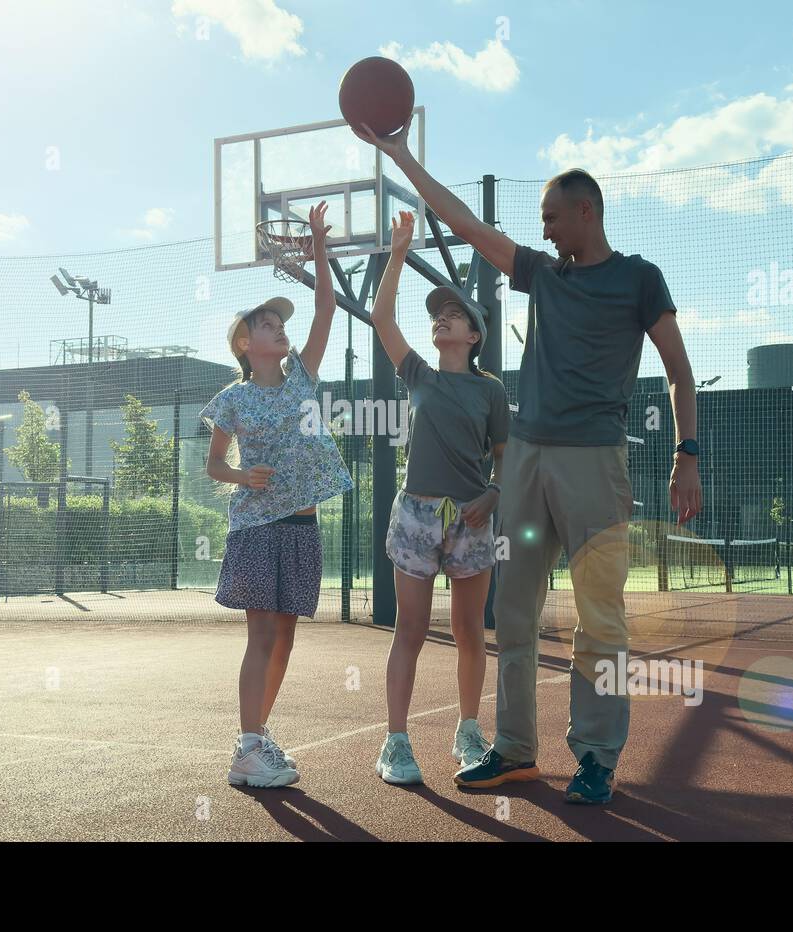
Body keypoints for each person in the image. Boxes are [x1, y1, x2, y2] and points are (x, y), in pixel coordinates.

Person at [355, 118, 702, 805]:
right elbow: (461, 219)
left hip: (595, 463)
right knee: (511, 616)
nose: (542, 231)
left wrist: (687, 453)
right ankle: (513, 751)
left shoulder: (639, 279)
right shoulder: (540, 273)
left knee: (599, 617)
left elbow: (679, 372)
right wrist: (401, 156)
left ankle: (597, 756)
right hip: (528, 466)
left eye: (551, 217)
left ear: (585, 210)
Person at [200, 203, 353, 788]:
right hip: (257, 530)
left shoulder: (302, 377)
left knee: (285, 639)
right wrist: (242, 477)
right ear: (244, 342)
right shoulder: (232, 398)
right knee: (262, 635)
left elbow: (326, 306)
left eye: (277, 322)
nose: (278, 327)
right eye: (266, 324)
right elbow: (214, 463)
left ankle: (257, 738)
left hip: (301, 527)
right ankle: (245, 747)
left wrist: (317, 243)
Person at [368, 210, 511, 784]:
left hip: (473, 518)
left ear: (474, 335)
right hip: (417, 514)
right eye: (437, 316)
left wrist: (495, 495)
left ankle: (468, 729)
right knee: (410, 629)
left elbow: (506, 456)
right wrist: (399, 251)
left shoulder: (490, 391)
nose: (441, 321)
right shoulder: (419, 375)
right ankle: (396, 741)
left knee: (471, 632)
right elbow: (381, 316)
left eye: (453, 316)